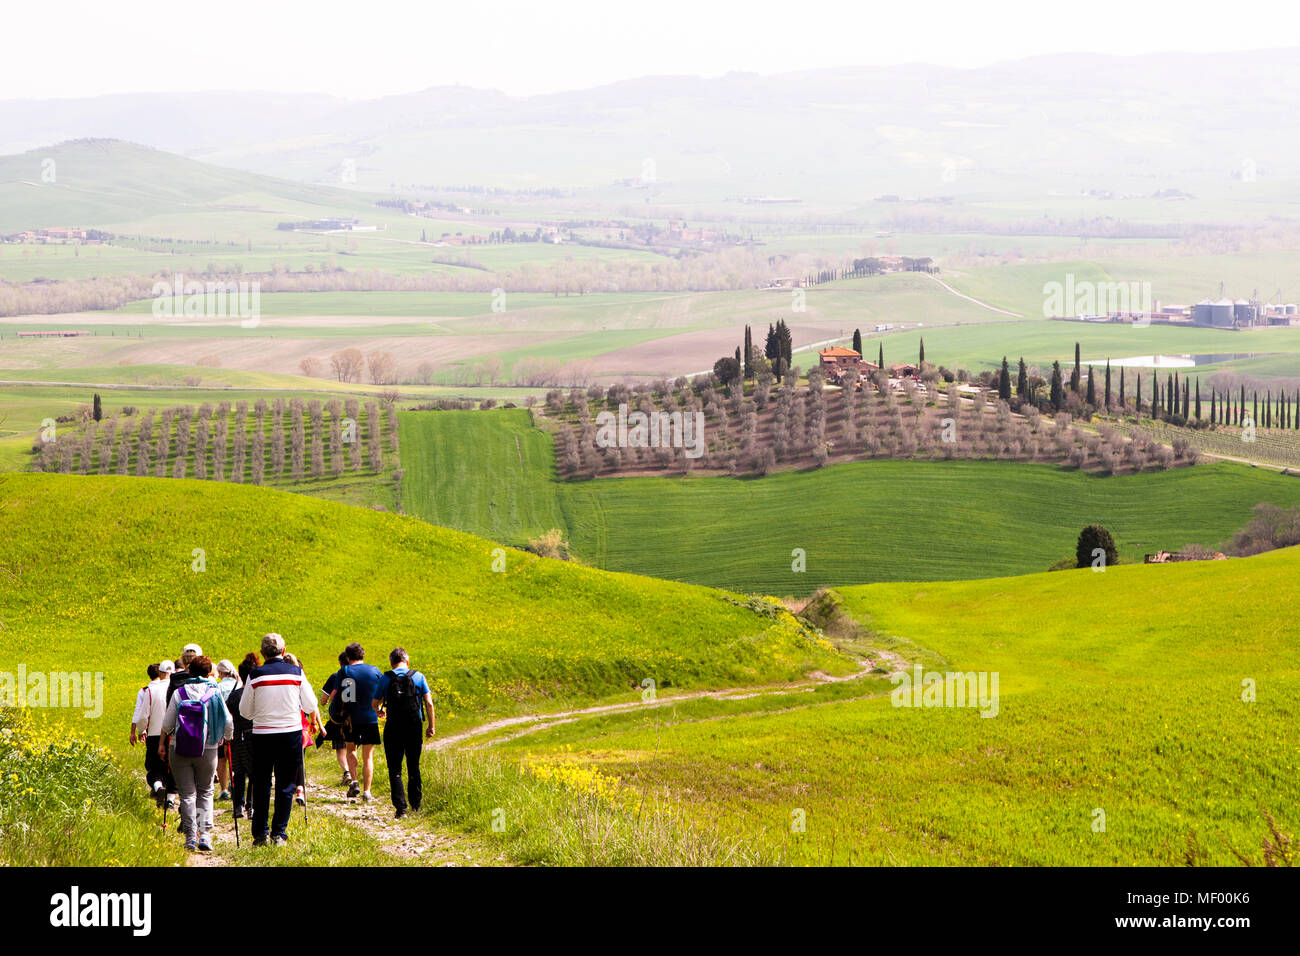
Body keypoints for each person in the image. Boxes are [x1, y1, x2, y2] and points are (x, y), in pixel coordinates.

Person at [240, 633, 317, 847]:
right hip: (290, 733)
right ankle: (279, 833)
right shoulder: (296, 673)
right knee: (286, 784)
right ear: (283, 651)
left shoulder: (255, 675)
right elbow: (310, 705)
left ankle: (260, 833)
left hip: (263, 735)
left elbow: (245, 711)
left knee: (262, 783)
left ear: (262, 653)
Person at [160, 656, 233, 852]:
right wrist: (227, 737)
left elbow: (167, 724)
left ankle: (191, 837)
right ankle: (205, 834)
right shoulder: (214, 692)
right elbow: (228, 721)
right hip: (208, 748)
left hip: (180, 748)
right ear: (209, 674)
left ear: (189, 672)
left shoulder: (179, 692)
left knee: (187, 794)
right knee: (206, 791)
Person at [372, 647, 436, 820]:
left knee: (395, 768)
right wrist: (431, 726)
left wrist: (379, 711)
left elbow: (374, 703)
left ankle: (401, 809)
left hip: (393, 727)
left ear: (391, 663)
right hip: (414, 726)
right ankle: (416, 805)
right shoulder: (418, 676)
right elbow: (429, 703)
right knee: (413, 765)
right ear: (407, 661)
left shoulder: (386, 678)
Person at [332, 643, 382, 803]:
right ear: (363, 655)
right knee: (368, 756)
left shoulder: (344, 671)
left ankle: (354, 782)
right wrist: (378, 708)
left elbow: (336, 694)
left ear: (347, 657)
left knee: (351, 750)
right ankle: (367, 792)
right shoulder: (374, 670)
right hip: (370, 718)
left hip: (350, 719)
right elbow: (381, 693)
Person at [284, 653, 325, 806]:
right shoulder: (300, 679)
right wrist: (314, 723)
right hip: (301, 726)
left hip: (283, 725)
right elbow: (312, 705)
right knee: (299, 758)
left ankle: (289, 788)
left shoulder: (280, 680)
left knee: (285, 760)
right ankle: (300, 788)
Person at [131, 662, 172, 804]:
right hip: (173, 734)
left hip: (155, 734)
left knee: (154, 767)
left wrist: (141, 730)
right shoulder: (178, 689)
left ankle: (158, 787)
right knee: (171, 766)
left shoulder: (150, 690)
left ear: (160, 673)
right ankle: (171, 798)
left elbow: (143, 716)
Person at [225, 654, 258, 819]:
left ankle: (238, 806)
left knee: (238, 773)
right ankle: (251, 806)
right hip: (254, 736)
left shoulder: (234, 695)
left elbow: (228, 716)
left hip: (236, 737)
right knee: (254, 773)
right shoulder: (256, 694)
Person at [318, 652, 353, 786]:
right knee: (352, 747)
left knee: (340, 748)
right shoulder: (356, 677)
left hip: (337, 719)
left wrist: (326, 702)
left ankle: (346, 772)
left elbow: (323, 700)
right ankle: (353, 775)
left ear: (340, 663)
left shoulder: (335, 676)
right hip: (353, 718)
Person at [214, 660, 239, 800]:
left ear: (220, 672)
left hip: (221, 727)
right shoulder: (239, 684)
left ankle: (223, 789)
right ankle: (233, 781)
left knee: (221, 759)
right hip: (237, 726)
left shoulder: (218, 687)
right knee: (234, 757)